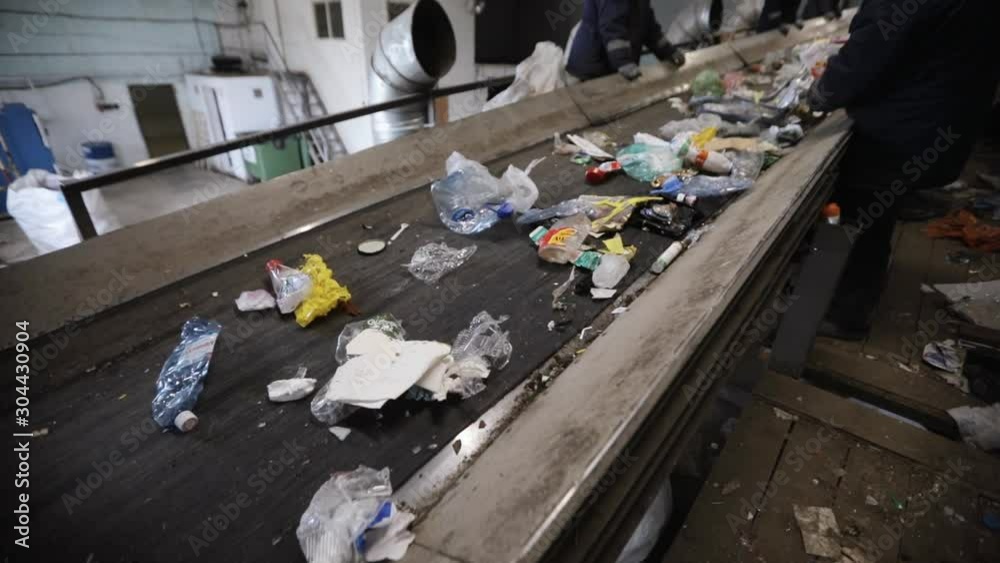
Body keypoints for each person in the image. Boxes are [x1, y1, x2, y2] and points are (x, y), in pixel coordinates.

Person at [808, 0, 1000, 338]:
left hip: (903, 123)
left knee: (860, 209)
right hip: (942, 114)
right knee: (877, 208)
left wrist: (823, 92)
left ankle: (843, 314)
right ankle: (848, 297)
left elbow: (873, 44)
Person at [566, 0, 686, 82]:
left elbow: (649, 28)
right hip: (589, 73)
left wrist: (669, 52)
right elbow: (611, 27)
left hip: (609, 69)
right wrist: (623, 62)